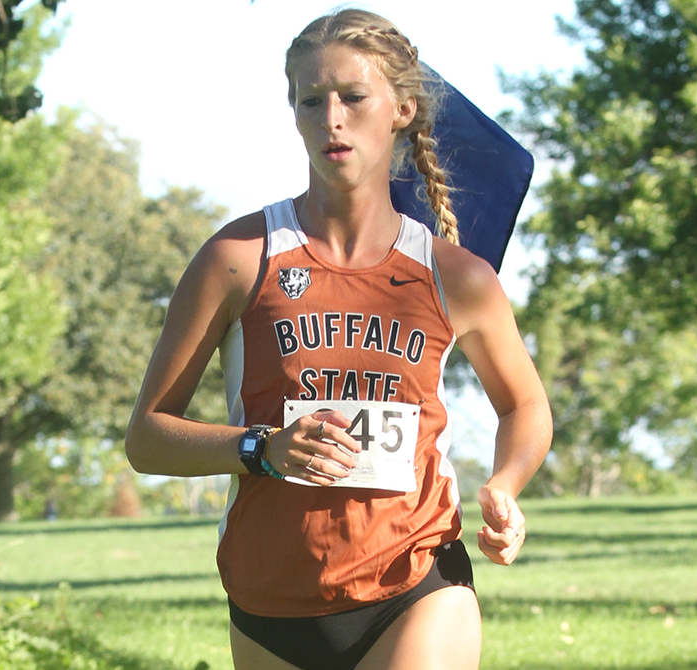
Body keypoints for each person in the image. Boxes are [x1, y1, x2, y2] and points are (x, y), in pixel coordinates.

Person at [125, 9, 552, 670]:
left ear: (402, 108)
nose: (332, 117)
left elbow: (525, 406)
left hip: (415, 578)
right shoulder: (238, 257)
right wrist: (262, 449)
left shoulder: (456, 274)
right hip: (270, 601)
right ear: (291, 111)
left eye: (354, 97)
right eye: (311, 100)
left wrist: (507, 483)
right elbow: (148, 438)